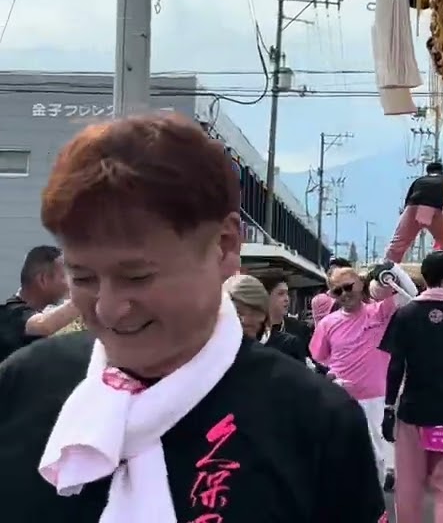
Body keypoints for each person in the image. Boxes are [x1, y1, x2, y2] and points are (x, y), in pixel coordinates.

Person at [0, 113, 385, 523]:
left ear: (224, 245)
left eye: (137, 276)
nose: (109, 307)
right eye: (83, 278)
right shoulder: (23, 386)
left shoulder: (313, 421)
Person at [380, 250, 443, 523]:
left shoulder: (405, 314)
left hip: (412, 414)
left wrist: (389, 408)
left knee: (409, 487)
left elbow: (395, 366)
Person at [310, 264, 409, 491]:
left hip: (376, 399)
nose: (344, 294)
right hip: (342, 400)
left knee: (378, 460)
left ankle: (375, 506)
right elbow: (318, 358)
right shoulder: (327, 324)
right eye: (338, 291)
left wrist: (392, 269)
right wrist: (330, 376)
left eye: (348, 287)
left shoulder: (380, 311)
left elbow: (409, 293)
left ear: (361, 284)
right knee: (343, 460)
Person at [0, 245, 78, 364]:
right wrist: (82, 298)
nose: (69, 284)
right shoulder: (12, 313)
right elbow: (43, 325)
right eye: (64, 276)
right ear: (43, 280)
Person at [225, 274, 306, 363]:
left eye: (252, 311)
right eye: (280, 294)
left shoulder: (292, 339)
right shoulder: (225, 347)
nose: (287, 299)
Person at [386, 161, 443, 263]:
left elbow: (407, 200)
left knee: (399, 243)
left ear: (428, 172)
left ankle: (388, 264)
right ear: (442, 172)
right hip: (433, 209)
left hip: (413, 208)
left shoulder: (418, 181)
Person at [263, 278, 313, 363]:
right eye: (281, 294)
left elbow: (308, 360)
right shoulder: (256, 328)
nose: (286, 299)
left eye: (287, 294)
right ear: (266, 297)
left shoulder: (300, 329)